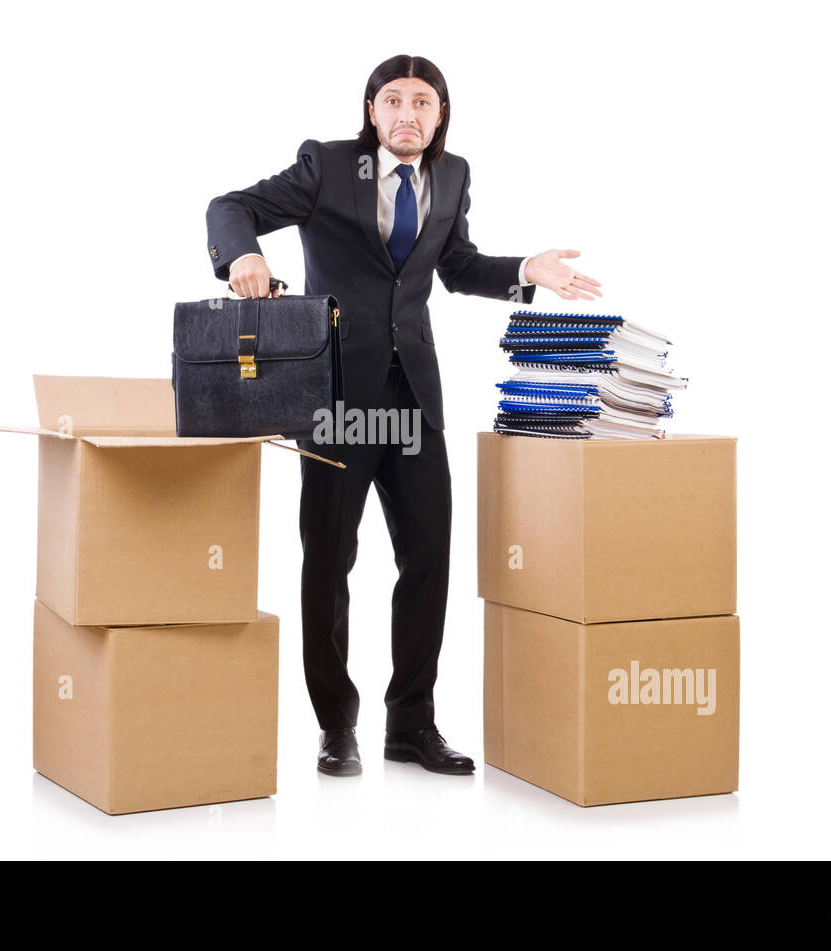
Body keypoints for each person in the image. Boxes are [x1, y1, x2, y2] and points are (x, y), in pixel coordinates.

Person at [205, 54, 601, 777]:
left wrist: (523, 270)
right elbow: (230, 207)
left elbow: (456, 267)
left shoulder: (451, 177)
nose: (408, 114)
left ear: (440, 115)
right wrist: (241, 256)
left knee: (429, 556)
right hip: (335, 396)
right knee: (329, 559)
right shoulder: (325, 166)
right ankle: (336, 726)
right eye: (394, 100)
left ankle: (411, 725)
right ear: (371, 110)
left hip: (414, 395)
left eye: (423, 101)